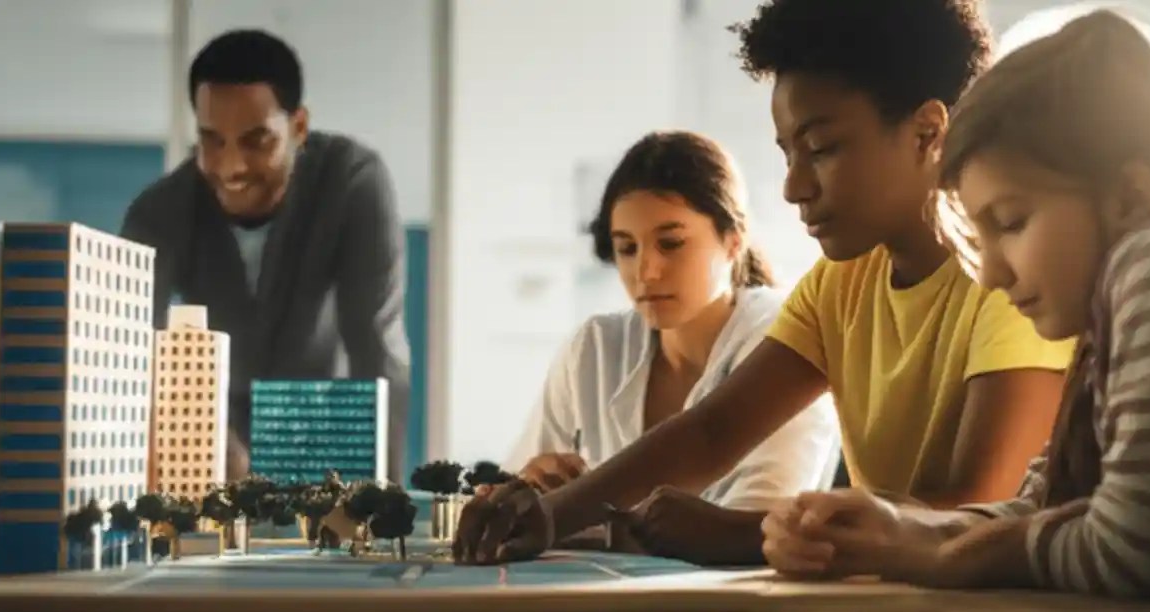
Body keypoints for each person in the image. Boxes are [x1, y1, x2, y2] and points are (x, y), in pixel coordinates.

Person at [454, 0, 1074, 566]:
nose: (794, 187)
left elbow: (974, 510)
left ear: (927, 133)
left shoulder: (1009, 281)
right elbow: (710, 431)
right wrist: (547, 514)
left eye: (822, 149)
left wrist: (743, 533)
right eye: (787, 154)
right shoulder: (841, 282)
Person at [762, 10, 1150, 605]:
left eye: (1011, 222)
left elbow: (1130, 550)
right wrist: (891, 529)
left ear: (1128, 196)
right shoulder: (1104, 325)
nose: (989, 275)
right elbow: (1041, 507)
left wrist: (934, 554)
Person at [505, 131, 841, 565]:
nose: (647, 271)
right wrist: (533, 487)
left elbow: (749, 529)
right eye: (627, 248)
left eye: (671, 243)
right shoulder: (594, 350)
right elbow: (517, 505)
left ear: (733, 240)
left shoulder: (784, 340)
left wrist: (569, 516)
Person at [120, 30, 411, 483]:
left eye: (257, 141)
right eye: (212, 140)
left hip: (325, 431)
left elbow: (376, 344)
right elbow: (129, 349)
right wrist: (202, 435)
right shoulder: (160, 210)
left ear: (298, 127)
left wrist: (385, 497)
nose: (231, 167)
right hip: (215, 441)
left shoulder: (352, 180)